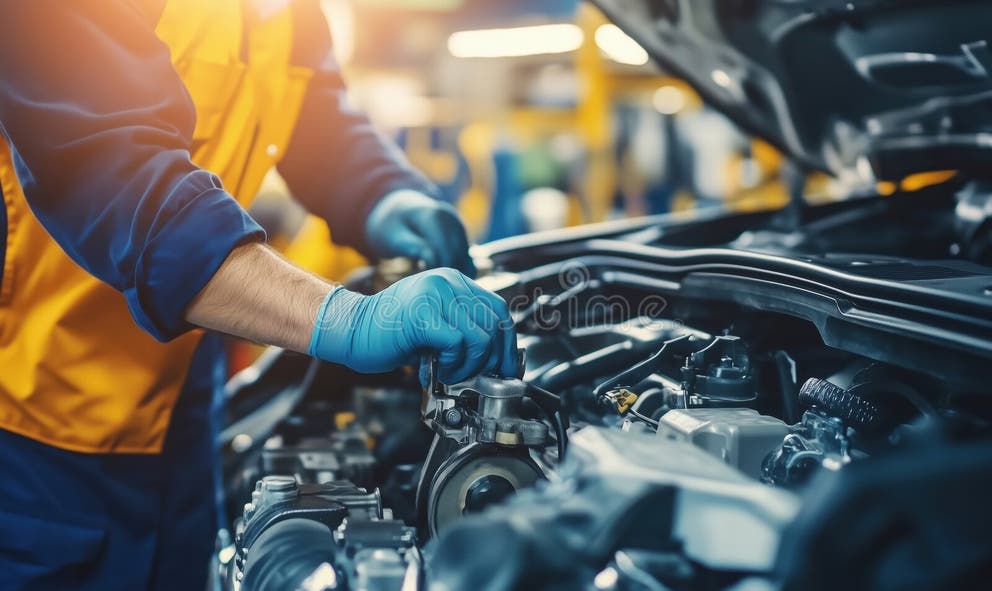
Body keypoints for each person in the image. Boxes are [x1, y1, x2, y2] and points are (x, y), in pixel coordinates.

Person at [0, 1, 517, 589]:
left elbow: (315, 118)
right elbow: (115, 172)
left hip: (178, 414)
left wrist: (385, 195)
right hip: (29, 431)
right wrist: (347, 320)